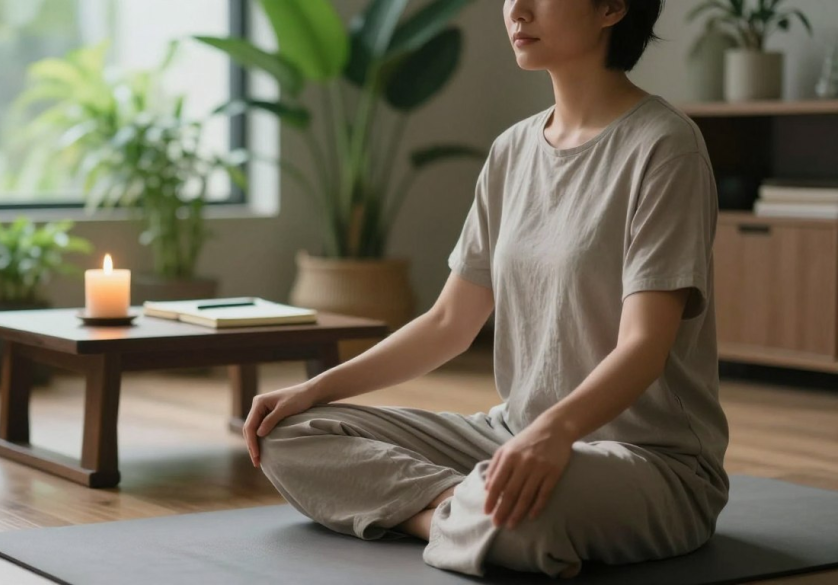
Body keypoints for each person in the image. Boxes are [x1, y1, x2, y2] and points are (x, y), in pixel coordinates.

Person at [242, 0, 729, 579]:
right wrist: (314, 390)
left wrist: (554, 434)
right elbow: (450, 322)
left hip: (647, 462)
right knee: (286, 434)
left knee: (536, 512)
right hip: (511, 435)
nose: (516, 10)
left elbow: (643, 346)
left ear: (612, 8)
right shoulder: (511, 151)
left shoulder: (665, 146)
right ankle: (458, 510)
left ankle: (463, 508)